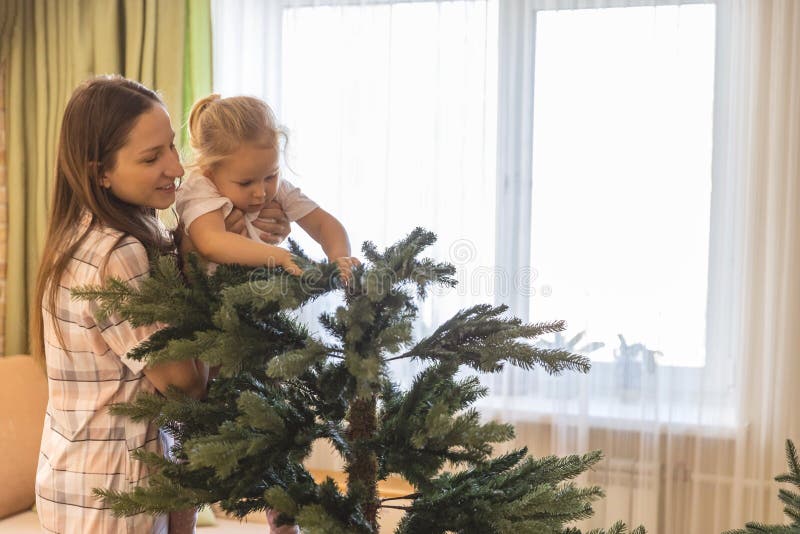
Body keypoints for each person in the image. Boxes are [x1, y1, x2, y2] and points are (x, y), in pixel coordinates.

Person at [30, 75, 295, 533]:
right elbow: (185, 387)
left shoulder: (81, 234)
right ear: (101, 172)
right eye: (153, 157)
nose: (177, 167)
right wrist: (204, 264)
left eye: (172, 146)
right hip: (117, 495)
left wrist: (238, 234)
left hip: (72, 479)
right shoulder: (121, 253)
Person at [176, 94, 360, 280]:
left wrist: (340, 258)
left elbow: (323, 224)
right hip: (207, 302)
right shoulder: (200, 187)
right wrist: (281, 257)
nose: (261, 192)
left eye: (271, 176)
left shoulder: (276, 185)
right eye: (246, 183)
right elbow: (211, 242)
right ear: (210, 172)